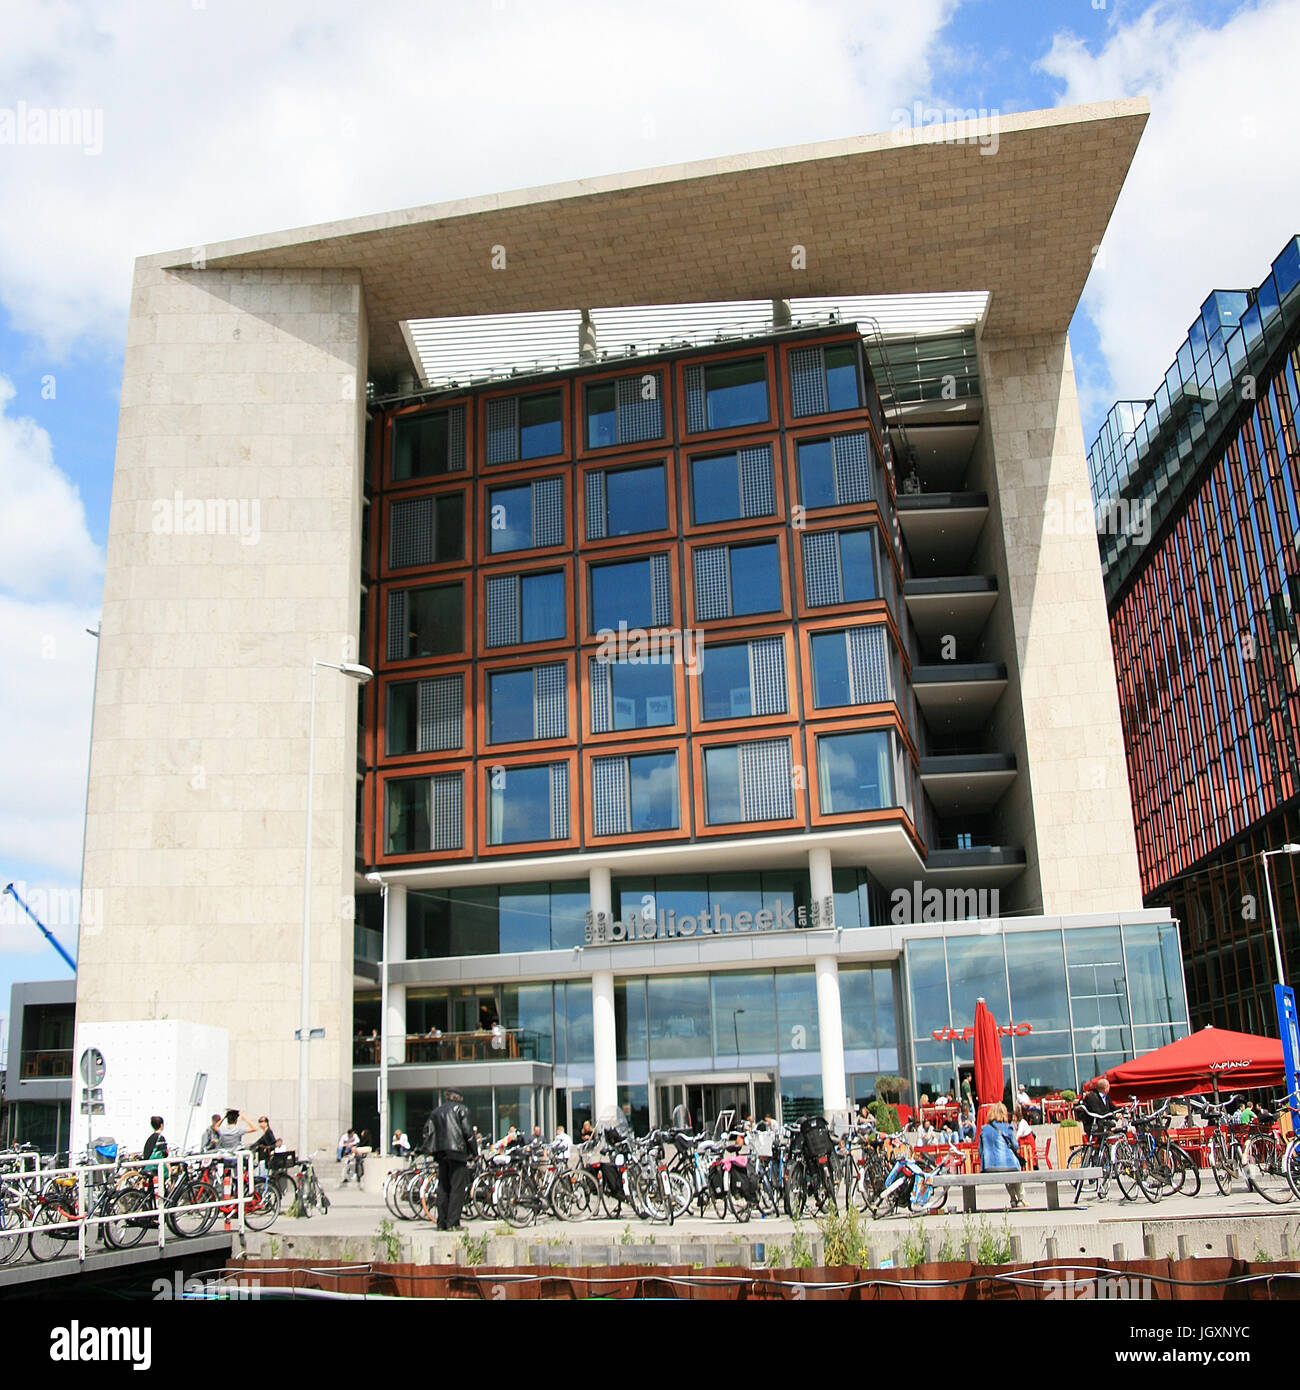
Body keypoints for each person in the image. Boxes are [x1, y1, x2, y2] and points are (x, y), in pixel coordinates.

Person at [428, 1089, 476, 1231]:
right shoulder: (461, 1109)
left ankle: (441, 1222)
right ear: (458, 1098)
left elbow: (428, 1131)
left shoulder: (436, 1112)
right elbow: (468, 1132)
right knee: (457, 1187)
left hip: (441, 1152)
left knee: (443, 1187)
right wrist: (474, 1152)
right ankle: (453, 1222)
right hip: (457, 1151)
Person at [978, 1102, 1024, 1209]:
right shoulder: (1007, 1127)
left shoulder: (984, 1129)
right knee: (1013, 1167)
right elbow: (1016, 1146)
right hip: (1008, 1164)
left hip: (989, 1166)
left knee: (1004, 1169)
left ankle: (1012, 1198)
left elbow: (980, 1150)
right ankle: (1021, 1198)